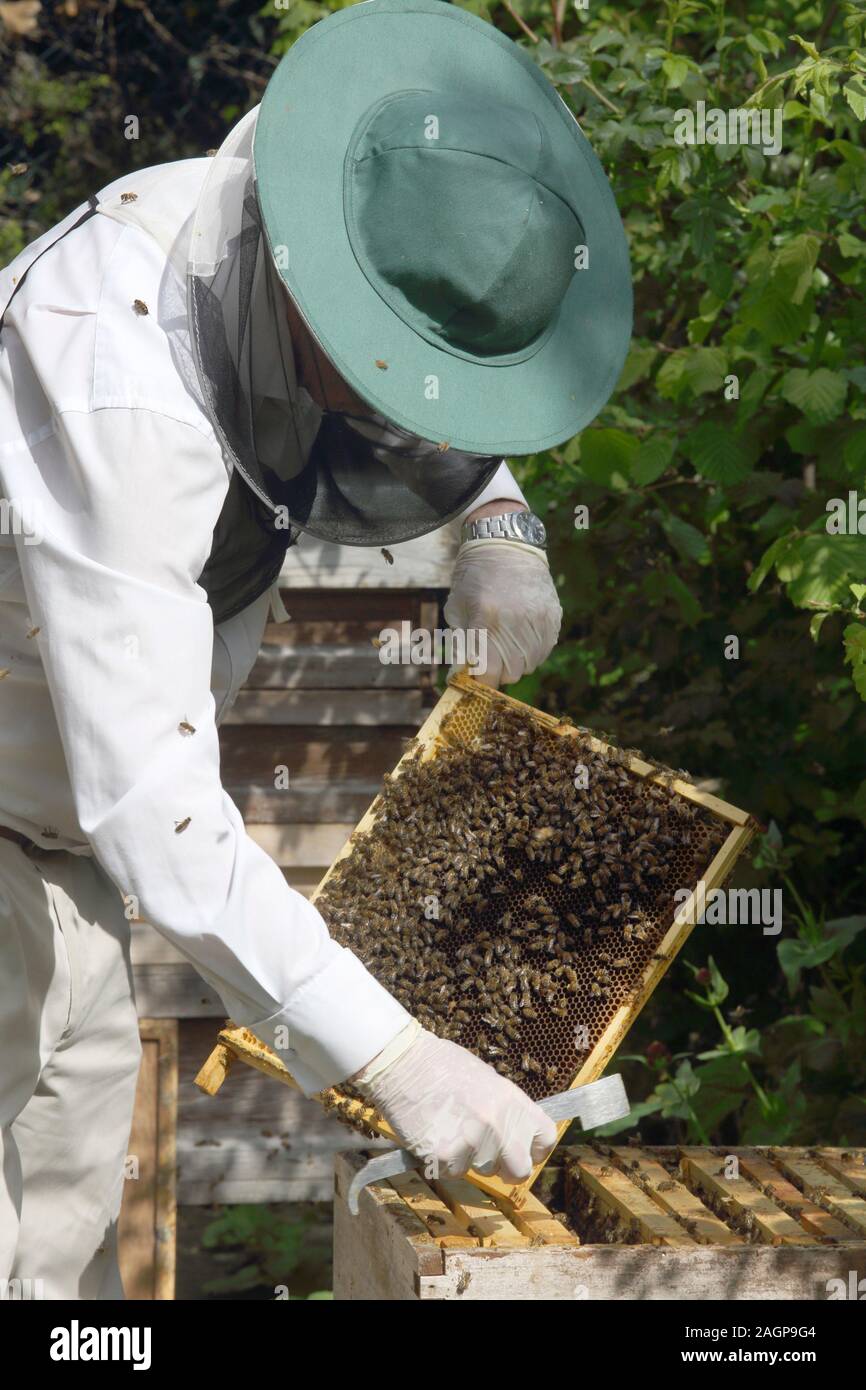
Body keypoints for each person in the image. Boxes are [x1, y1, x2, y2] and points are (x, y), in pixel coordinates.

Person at [0, 0, 631, 1298]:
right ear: (319, 290)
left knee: (62, 1255)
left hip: (66, 864)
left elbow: (427, 384)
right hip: (52, 824)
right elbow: (156, 805)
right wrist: (396, 1057)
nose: (420, 426)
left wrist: (500, 521)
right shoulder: (117, 374)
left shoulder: (320, 239)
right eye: (390, 374)